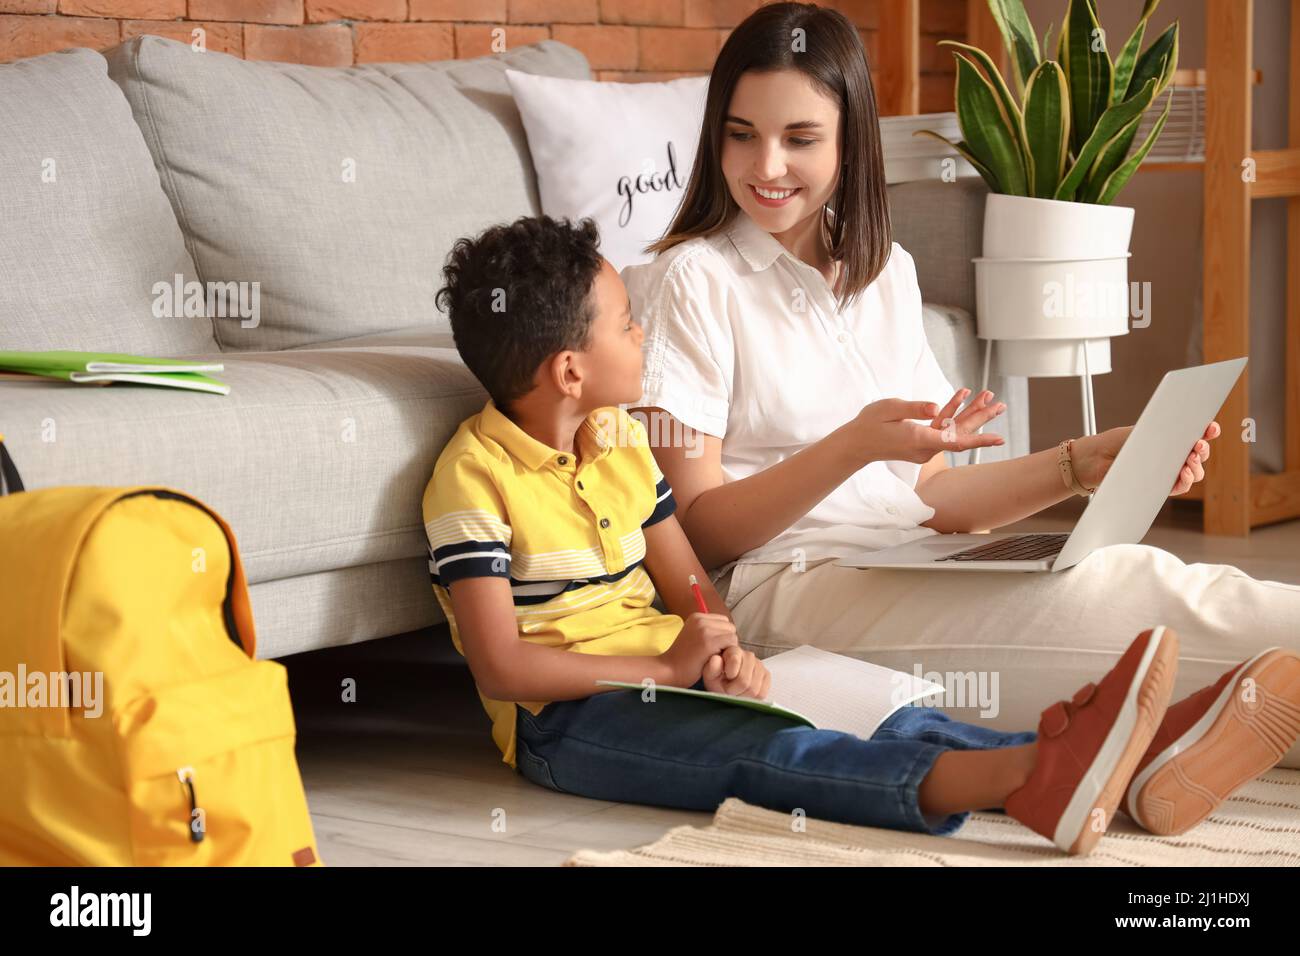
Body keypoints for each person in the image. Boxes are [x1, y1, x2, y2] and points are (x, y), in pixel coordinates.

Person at [420, 214, 1300, 854]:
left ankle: (1125, 763)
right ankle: (1028, 781)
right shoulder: (474, 478)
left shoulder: (618, 443)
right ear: (571, 369)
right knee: (780, 753)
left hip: (679, 670)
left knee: (883, 705)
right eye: (626, 323)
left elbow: (687, 580)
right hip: (568, 720)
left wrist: (716, 639)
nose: (641, 331)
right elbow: (504, 667)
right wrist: (665, 670)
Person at [621, 2, 1300, 771]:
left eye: (800, 139)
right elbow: (699, 532)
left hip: (906, 560)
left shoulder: (884, 275)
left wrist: (1083, 462)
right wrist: (851, 447)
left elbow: (933, 496)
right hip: (785, 595)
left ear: (851, 143)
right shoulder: (692, 281)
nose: (765, 166)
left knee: (1143, 579)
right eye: (741, 134)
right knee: (1138, 614)